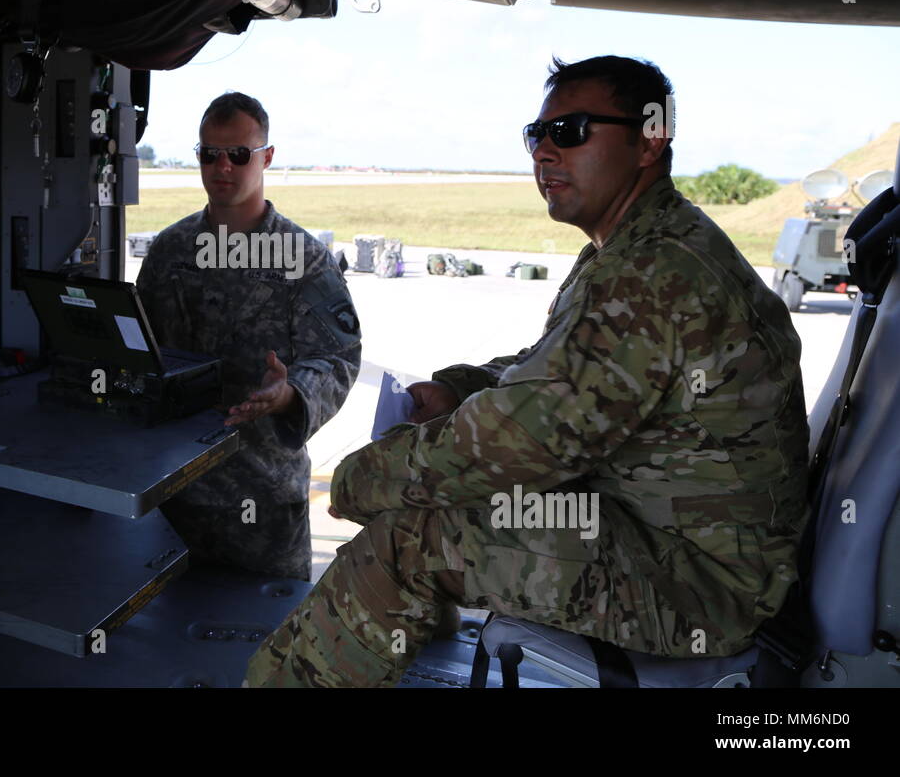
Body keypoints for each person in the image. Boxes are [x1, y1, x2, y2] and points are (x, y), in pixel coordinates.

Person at [245, 56, 810, 686]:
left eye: (568, 133)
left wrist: (363, 479)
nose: (543, 153)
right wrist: (459, 388)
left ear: (649, 140)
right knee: (432, 495)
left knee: (415, 531)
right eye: (535, 136)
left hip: (695, 581)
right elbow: (555, 373)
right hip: (663, 537)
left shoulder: (653, 273)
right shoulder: (640, 248)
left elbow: (521, 444)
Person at [136, 91, 361, 581]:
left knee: (265, 644)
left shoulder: (302, 257)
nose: (223, 167)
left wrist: (290, 393)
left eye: (239, 154)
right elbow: (140, 353)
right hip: (174, 496)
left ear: (267, 157)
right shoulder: (171, 250)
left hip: (262, 498)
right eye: (209, 153)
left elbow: (339, 357)